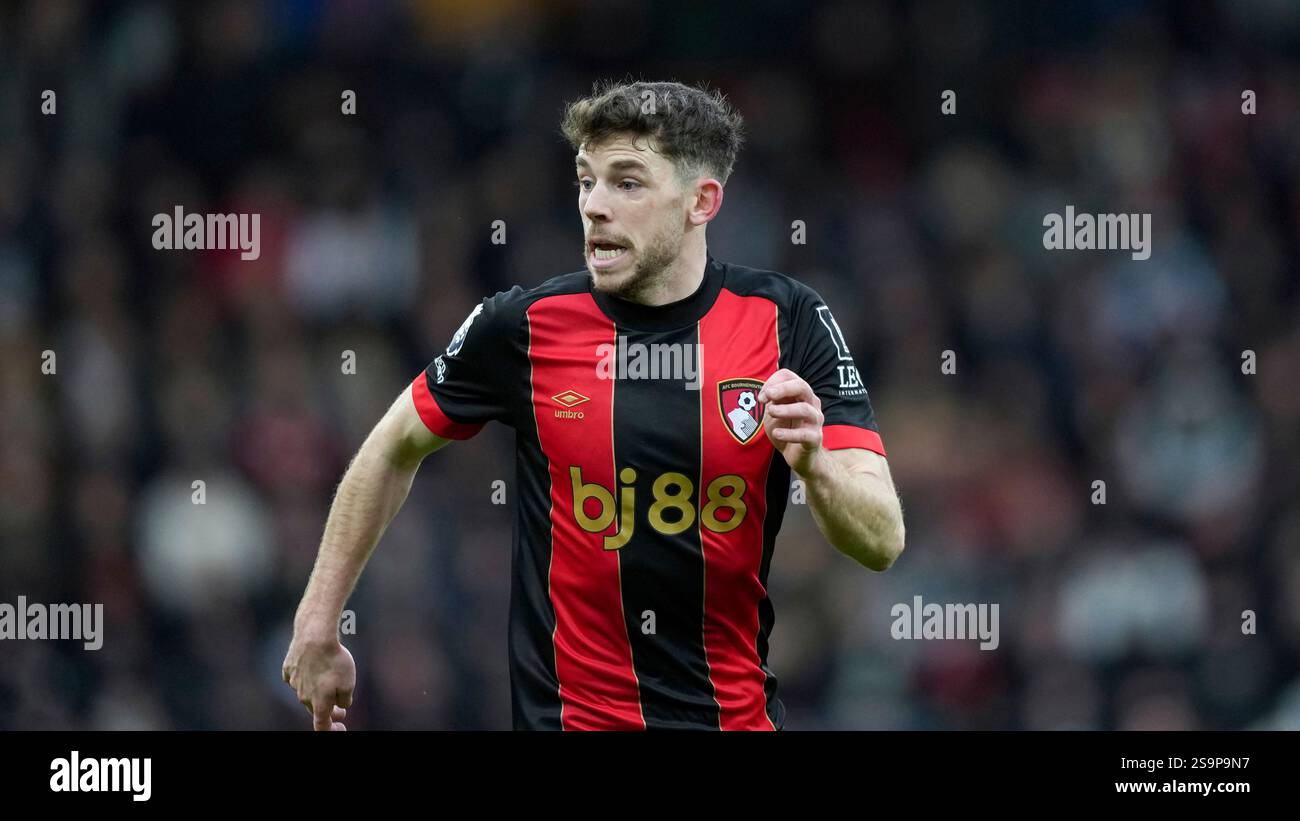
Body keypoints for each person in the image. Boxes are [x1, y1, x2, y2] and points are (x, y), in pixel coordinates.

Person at [283, 80, 905, 731]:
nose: (595, 206)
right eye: (587, 181)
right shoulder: (524, 325)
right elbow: (389, 446)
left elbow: (881, 538)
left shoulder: (789, 321)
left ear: (701, 201)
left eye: (627, 183)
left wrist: (817, 466)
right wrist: (319, 621)